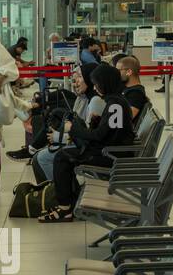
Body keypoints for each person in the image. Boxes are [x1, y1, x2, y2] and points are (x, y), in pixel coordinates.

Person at [39, 63, 136, 223]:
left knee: (63, 157)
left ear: (106, 83)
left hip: (110, 155)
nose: (95, 87)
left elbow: (102, 136)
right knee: (66, 156)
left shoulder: (116, 106)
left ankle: (65, 208)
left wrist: (74, 129)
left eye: (98, 84)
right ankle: (70, 202)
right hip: (110, 150)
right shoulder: (116, 101)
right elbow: (112, 131)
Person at [30, 63, 99, 184]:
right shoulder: (83, 98)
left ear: (90, 78)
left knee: (41, 158)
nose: (75, 81)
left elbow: (88, 133)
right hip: (79, 142)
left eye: (79, 77)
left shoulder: (95, 102)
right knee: (55, 112)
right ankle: (51, 193)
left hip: (87, 148)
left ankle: (59, 192)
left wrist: (59, 137)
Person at [117, 55, 148, 120]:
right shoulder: (127, 88)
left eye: (118, 70)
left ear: (129, 72)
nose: (116, 73)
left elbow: (127, 118)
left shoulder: (136, 93)